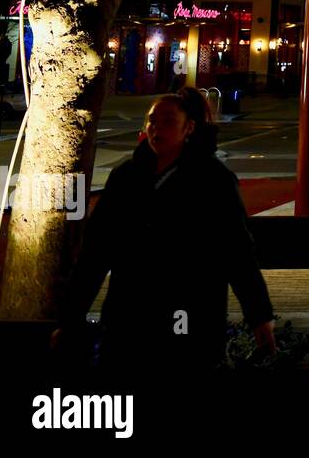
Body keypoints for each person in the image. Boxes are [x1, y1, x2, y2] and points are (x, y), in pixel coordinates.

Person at [57, 88, 275, 369]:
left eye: (168, 121)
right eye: (151, 121)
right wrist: (71, 317)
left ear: (189, 128)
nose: (156, 128)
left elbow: (237, 251)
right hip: (129, 309)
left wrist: (259, 315)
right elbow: (96, 252)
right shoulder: (125, 177)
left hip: (191, 308)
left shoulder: (213, 181)